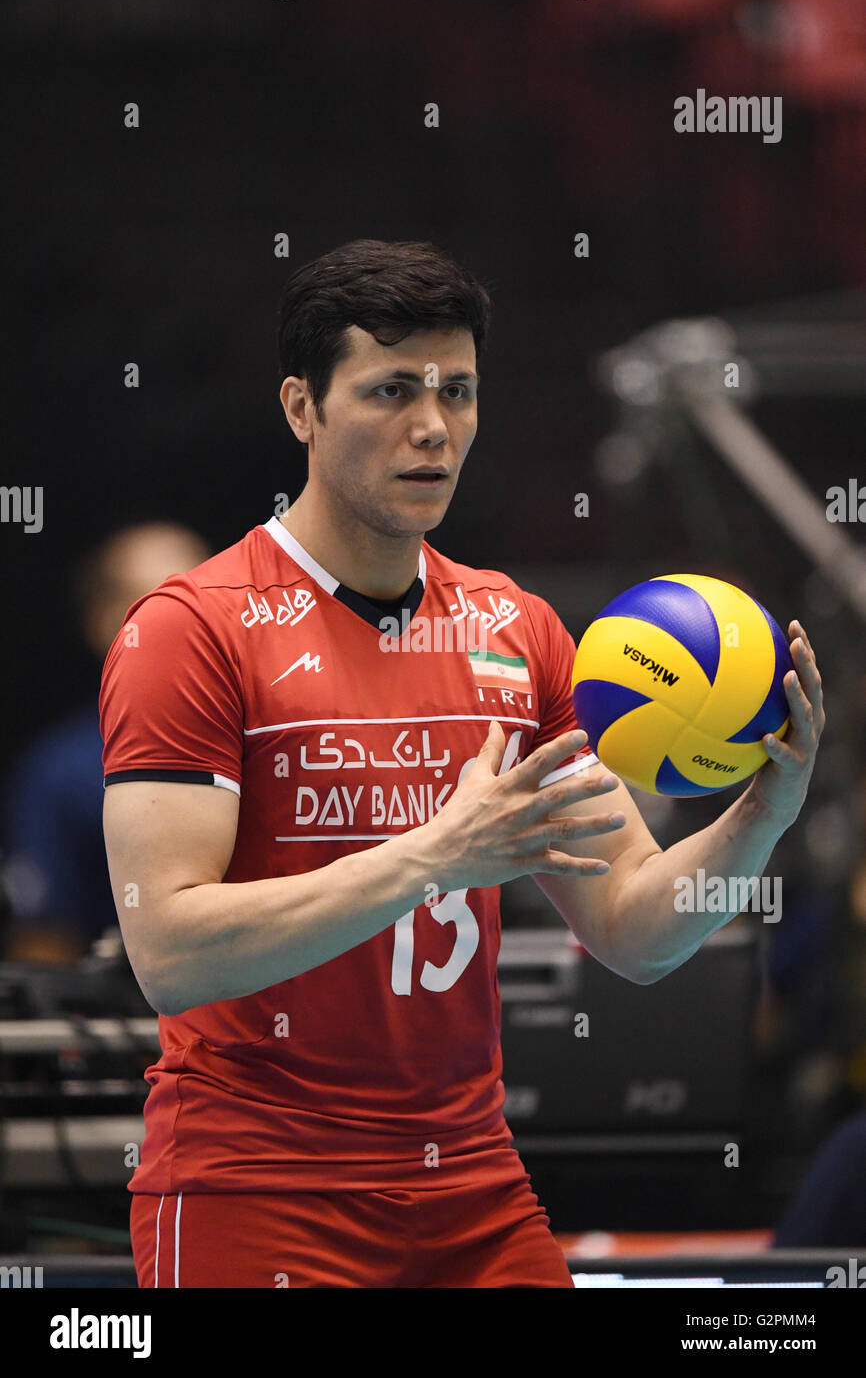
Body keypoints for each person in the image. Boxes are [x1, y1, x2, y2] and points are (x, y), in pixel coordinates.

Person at [99, 238, 825, 1288]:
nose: (432, 427)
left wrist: (761, 814)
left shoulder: (516, 628)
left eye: (457, 391)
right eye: (391, 389)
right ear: (300, 407)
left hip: (470, 1187)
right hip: (256, 1187)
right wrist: (437, 854)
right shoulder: (191, 630)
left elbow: (628, 926)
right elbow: (168, 949)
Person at [1, 522, 209, 963]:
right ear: (102, 621)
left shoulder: (278, 742)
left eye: (198, 599)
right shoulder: (59, 773)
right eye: (155, 602)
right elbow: (45, 943)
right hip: (128, 1020)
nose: (182, 622)